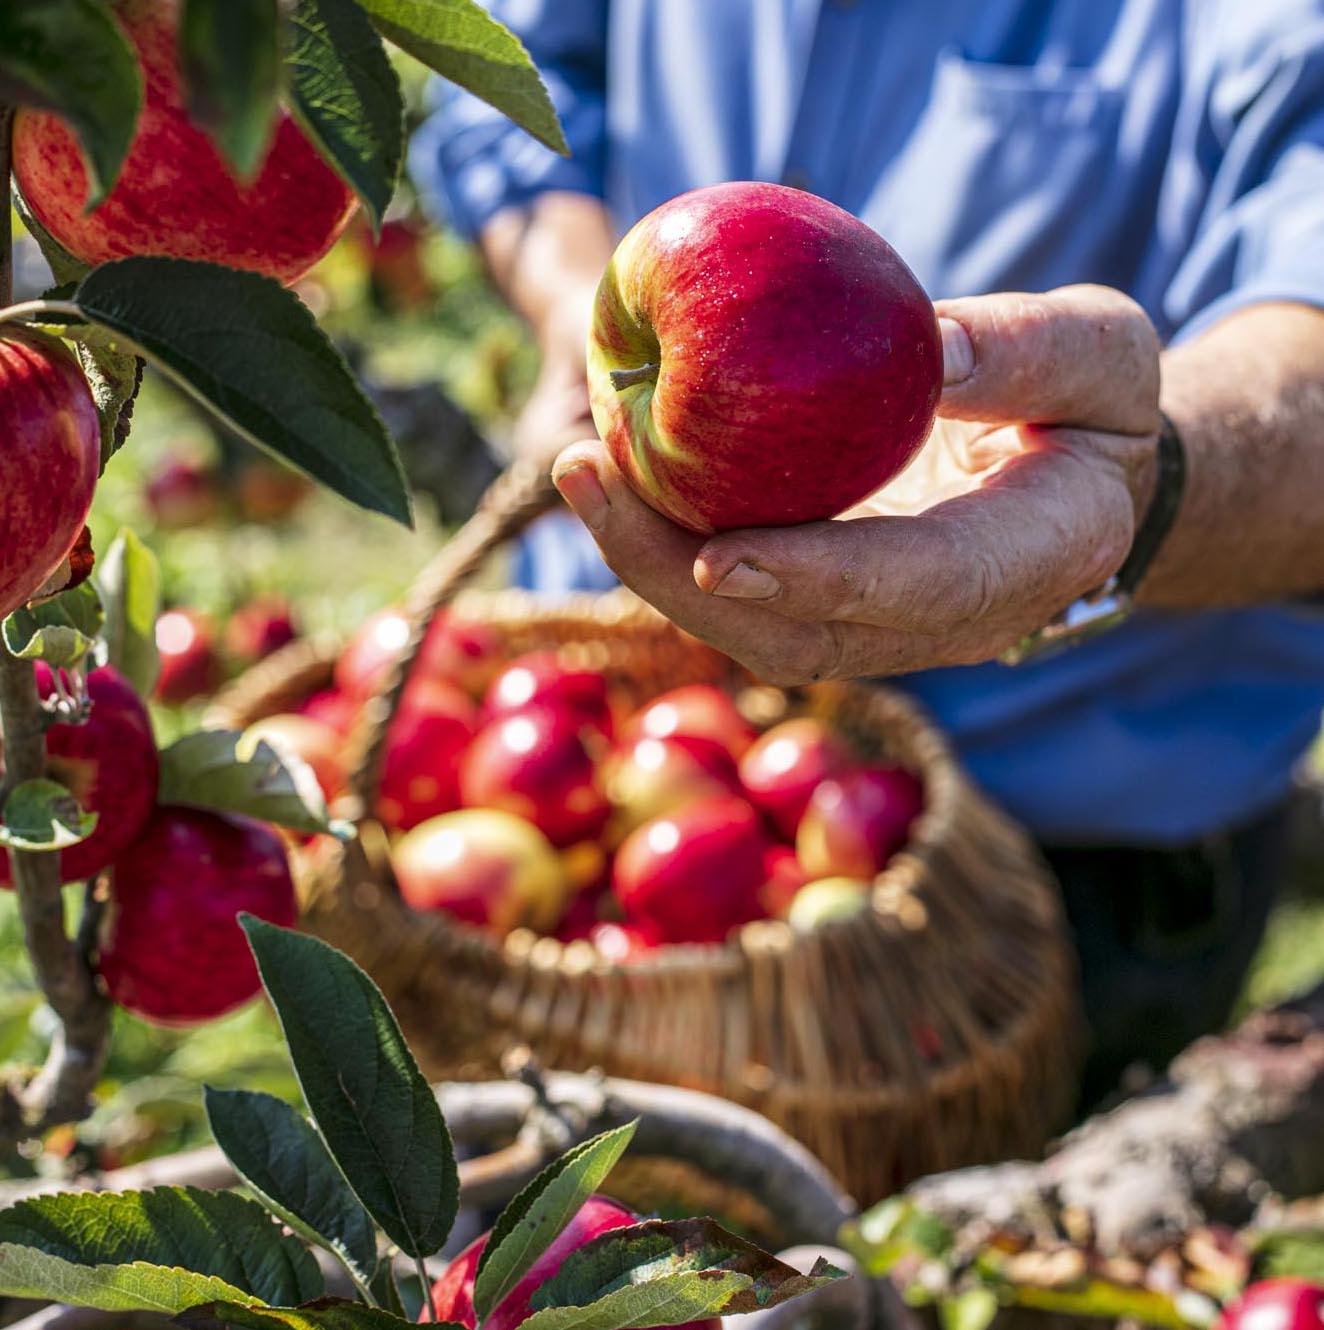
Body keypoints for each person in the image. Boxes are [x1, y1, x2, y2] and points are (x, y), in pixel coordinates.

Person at [411, 1, 1324, 1105]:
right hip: (614, 760)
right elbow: (510, 68)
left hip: (1053, 882)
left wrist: (1146, 479)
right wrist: (572, 301)